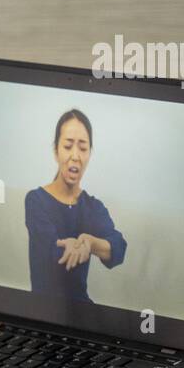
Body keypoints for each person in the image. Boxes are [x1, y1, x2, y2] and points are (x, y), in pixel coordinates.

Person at [24, 108, 127, 302]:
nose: (75, 155)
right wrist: (72, 246)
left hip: (81, 312)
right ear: (56, 151)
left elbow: (119, 247)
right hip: (42, 313)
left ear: (90, 153)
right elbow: (51, 251)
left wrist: (89, 242)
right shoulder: (35, 200)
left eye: (83, 148)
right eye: (68, 146)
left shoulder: (93, 207)